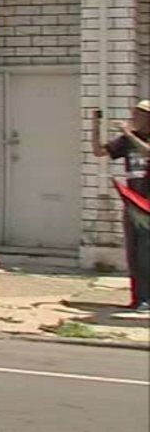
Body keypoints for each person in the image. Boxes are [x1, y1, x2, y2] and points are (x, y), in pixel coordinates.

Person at [91, 99, 150, 312]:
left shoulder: (133, 138)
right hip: (133, 203)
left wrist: (129, 134)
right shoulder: (127, 141)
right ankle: (138, 297)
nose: (135, 118)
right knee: (134, 252)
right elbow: (99, 151)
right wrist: (95, 126)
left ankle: (146, 298)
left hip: (148, 204)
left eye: (140, 115)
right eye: (135, 114)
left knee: (146, 252)